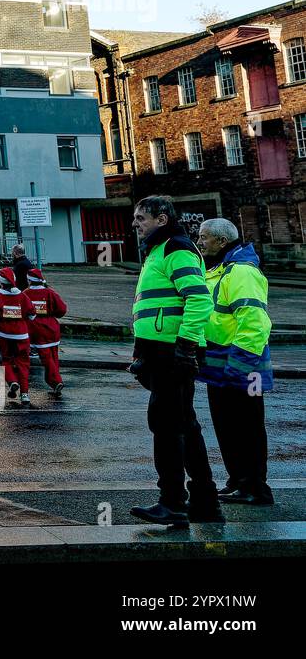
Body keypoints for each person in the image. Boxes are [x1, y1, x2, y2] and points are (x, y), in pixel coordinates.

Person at [127, 195, 222, 527]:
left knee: (166, 427)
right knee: (184, 426)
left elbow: (198, 298)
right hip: (162, 350)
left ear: (162, 219)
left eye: (141, 218)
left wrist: (184, 345)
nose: (135, 223)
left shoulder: (175, 248)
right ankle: (205, 503)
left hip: (171, 352)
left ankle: (172, 502)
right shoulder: (159, 250)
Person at [196, 218, 273, 506]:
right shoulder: (220, 269)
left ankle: (255, 487)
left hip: (243, 368)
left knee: (247, 428)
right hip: (220, 366)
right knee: (227, 427)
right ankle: (237, 481)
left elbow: (254, 323)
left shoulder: (241, 271)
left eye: (204, 237)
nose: (200, 242)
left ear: (222, 241)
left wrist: (238, 368)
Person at [0, 267, 36, 407]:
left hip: (4, 334)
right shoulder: (22, 296)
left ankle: (12, 381)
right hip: (21, 335)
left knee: (6, 360)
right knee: (23, 363)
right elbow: (32, 314)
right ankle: (25, 394)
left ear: (0, 282)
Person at [25, 268, 68, 398]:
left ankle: (56, 381)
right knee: (53, 357)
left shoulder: (26, 294)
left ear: (29, 280)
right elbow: (62, 309)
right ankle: (55, 381)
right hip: (52, 328)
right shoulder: (50, 292)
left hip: (36, 329)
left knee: (46, 358)